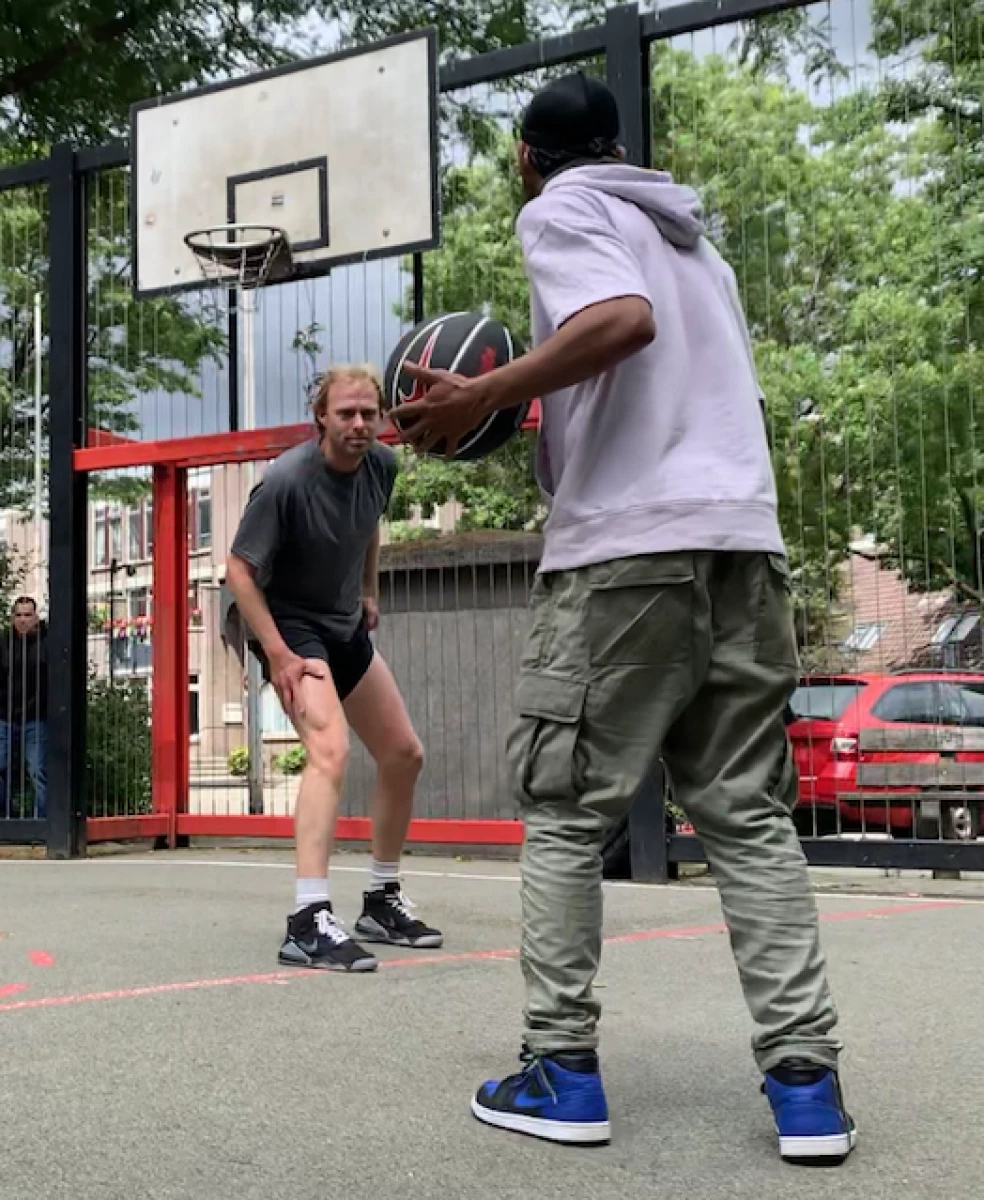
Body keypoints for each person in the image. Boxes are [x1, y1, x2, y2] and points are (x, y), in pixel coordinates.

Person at [393, 72, 855, 1165]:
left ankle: (560, 1072)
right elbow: (654, 362)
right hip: (740, 543)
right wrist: (548, 406)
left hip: (626, 554)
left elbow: (618, 323)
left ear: (525, 155)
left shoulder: (560, 208)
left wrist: (484, 393)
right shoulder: (694, 244)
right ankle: (806, 1091)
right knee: (746, 817)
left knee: (562, 807)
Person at [223, 363, 439, 973]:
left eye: (369, 413)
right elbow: (237, 571)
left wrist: (368, 591)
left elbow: (368, 524)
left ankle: (381, 898)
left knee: (403, 753)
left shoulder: (382, 467)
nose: (359, 424)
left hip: (342, 622)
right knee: (331, 751)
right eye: (346, 413)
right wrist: (280, 655)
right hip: (288, 623)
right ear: (321, 416)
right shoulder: (287, 481)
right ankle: (306, 920)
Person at [0, 596, 49, 820]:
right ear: (12, 618)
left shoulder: (48, 643)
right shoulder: (2, 644)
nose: (23, 620)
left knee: (38, 771)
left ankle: (41, 825)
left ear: (36, 617)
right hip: (4, 717)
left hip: (37, 717)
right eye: (18, 615)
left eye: (28, 615)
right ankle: (5, 821)